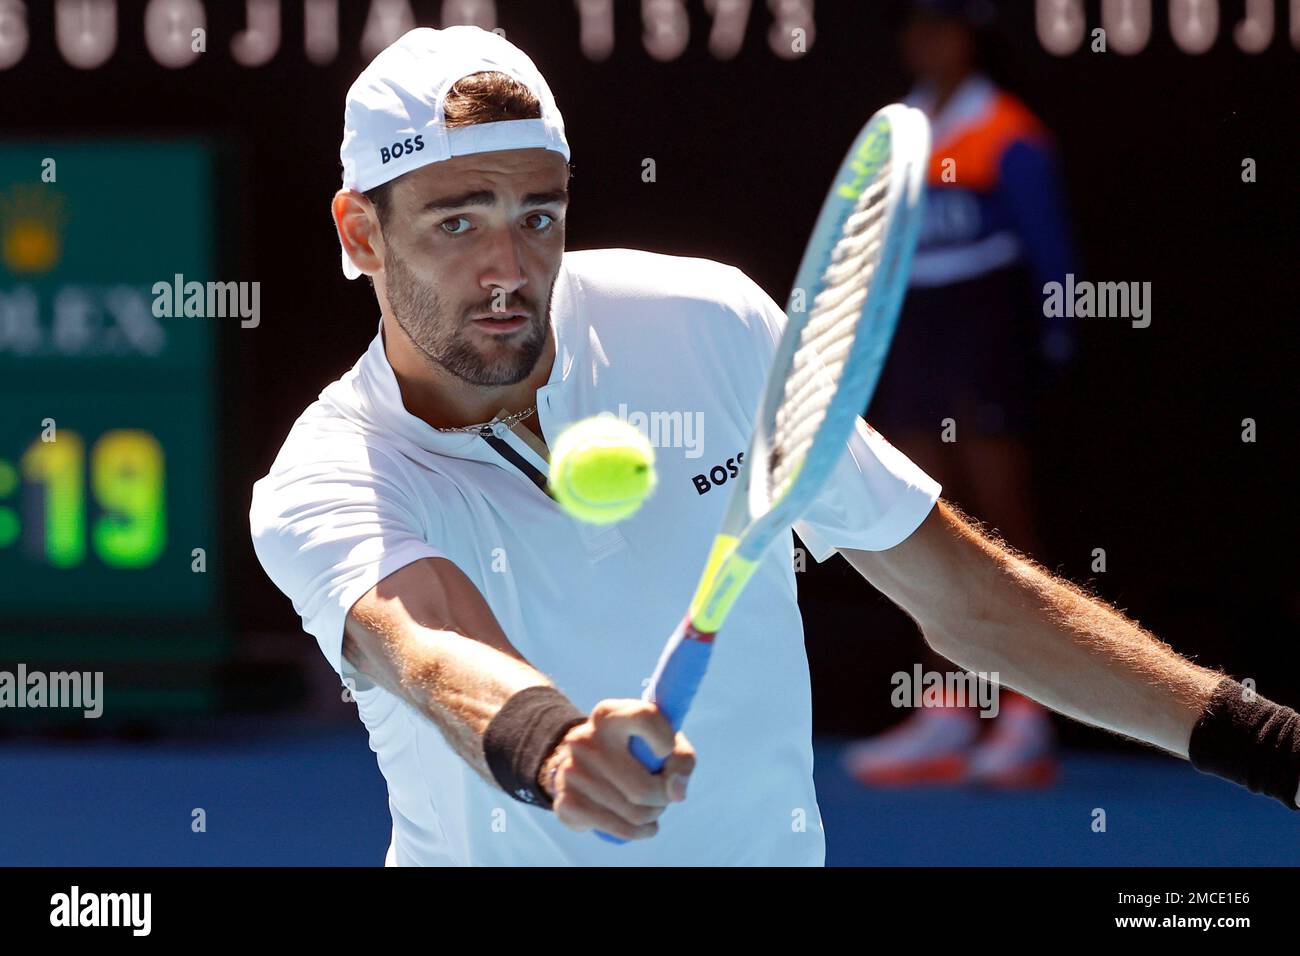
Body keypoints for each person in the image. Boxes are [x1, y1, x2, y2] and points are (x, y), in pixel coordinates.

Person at [250, 26, 1300, 866]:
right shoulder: (330, 473)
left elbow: (970, 600)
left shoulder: (708, 323)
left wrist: (1269, 744)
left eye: (537, 213)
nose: (508, 267)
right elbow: (430, 646)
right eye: (456, 222)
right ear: (360, 233)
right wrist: (555, 742)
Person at [843, 0, 1078, 789]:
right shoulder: (897, 131)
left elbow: (1051, 256)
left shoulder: (1008, 132)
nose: (922, 39)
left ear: (969, 37)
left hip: (986, 333)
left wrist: (1053, 340)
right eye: (912, 24)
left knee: (1005, 529)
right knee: (924, 521)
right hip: (915, 332)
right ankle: (947, 708)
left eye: (940, 24)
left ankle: (1027, 715)